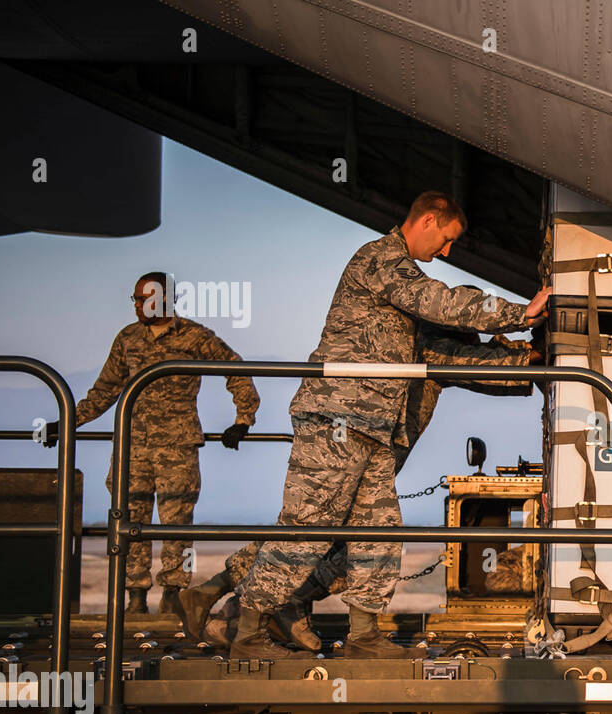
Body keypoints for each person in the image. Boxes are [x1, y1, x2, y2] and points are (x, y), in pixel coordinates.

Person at [230, 190, 551, 660]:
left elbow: (444, 351)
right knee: (307, 528)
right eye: (445, 240)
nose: (446, 252)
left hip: (377, 426)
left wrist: (523, 359)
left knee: (378, 532)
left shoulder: (399, 284)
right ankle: (247, 635)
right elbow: (438, 301)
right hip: (337, 419)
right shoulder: (380, 261)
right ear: (425, 221)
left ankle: (363, 637)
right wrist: (518, 313)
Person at [180, 331, 537, 651]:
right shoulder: (432, 348)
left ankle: (222, 600)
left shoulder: (420, 345)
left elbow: (485, 362)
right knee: (330, 538)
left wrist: (508, 347)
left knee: (317, 534)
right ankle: (255, 607)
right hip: (363, 460)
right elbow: (489, 368)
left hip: (366, 459)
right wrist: (535, 353)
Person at [53, 272, 259, 615]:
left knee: (176, 523)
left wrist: (242, 421)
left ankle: (173, 596)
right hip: (131, 447)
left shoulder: (195, 337)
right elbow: (104, 390)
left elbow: (236, 369)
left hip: (177, 447)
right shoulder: (128, 338)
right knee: (129, 519)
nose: (136, 305)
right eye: (134, 299)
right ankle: (134, 597)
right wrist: (67, 423)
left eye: (142, 299)